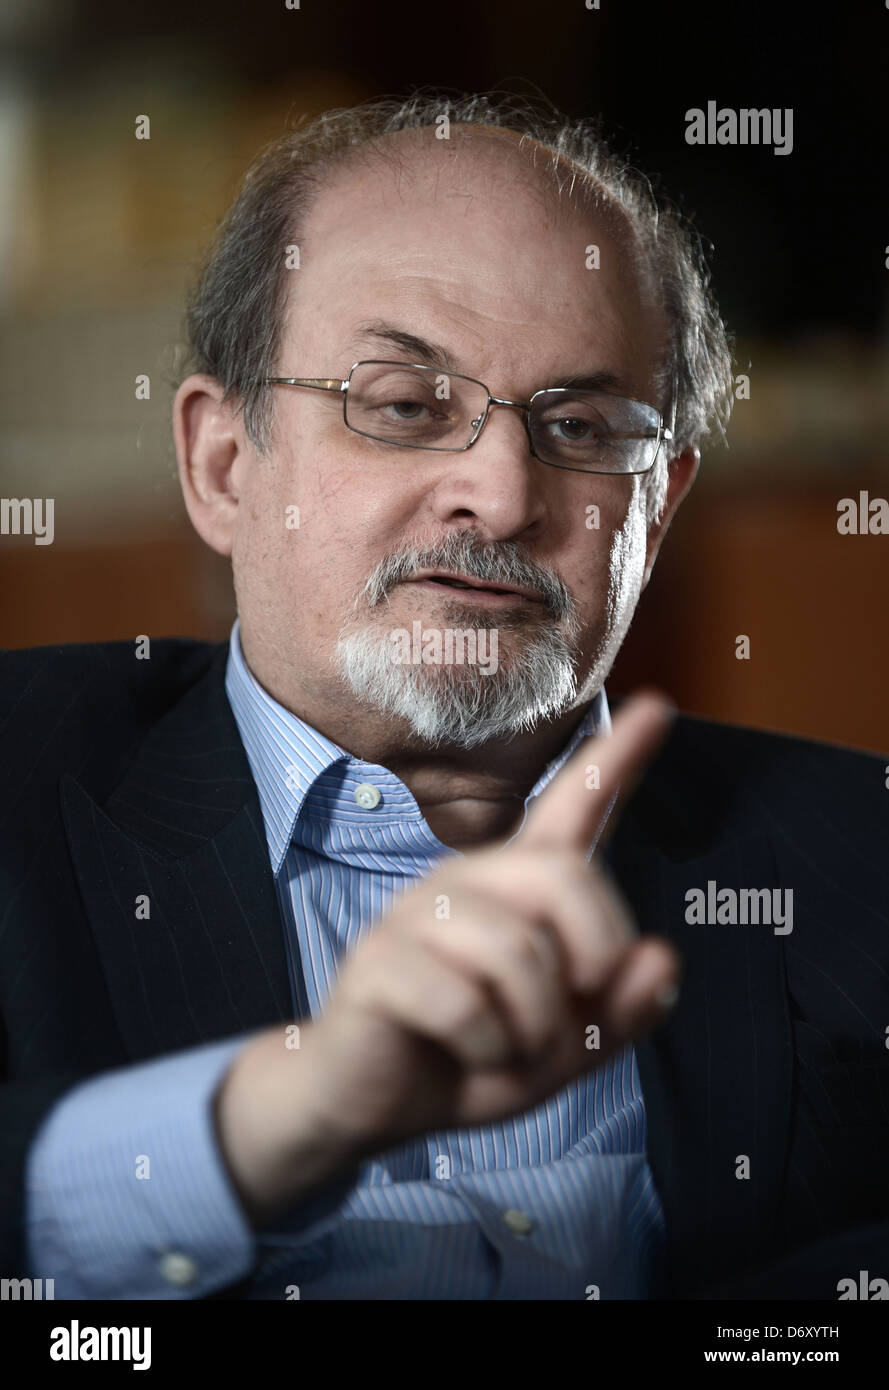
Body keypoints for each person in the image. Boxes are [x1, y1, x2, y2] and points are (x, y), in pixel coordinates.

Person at [3, 93, 887, 1302]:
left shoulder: (858, 849)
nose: (502, 491)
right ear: (223, 465)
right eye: (406, 406)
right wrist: (271, 1119)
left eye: (579, 424)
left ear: (658, 506)